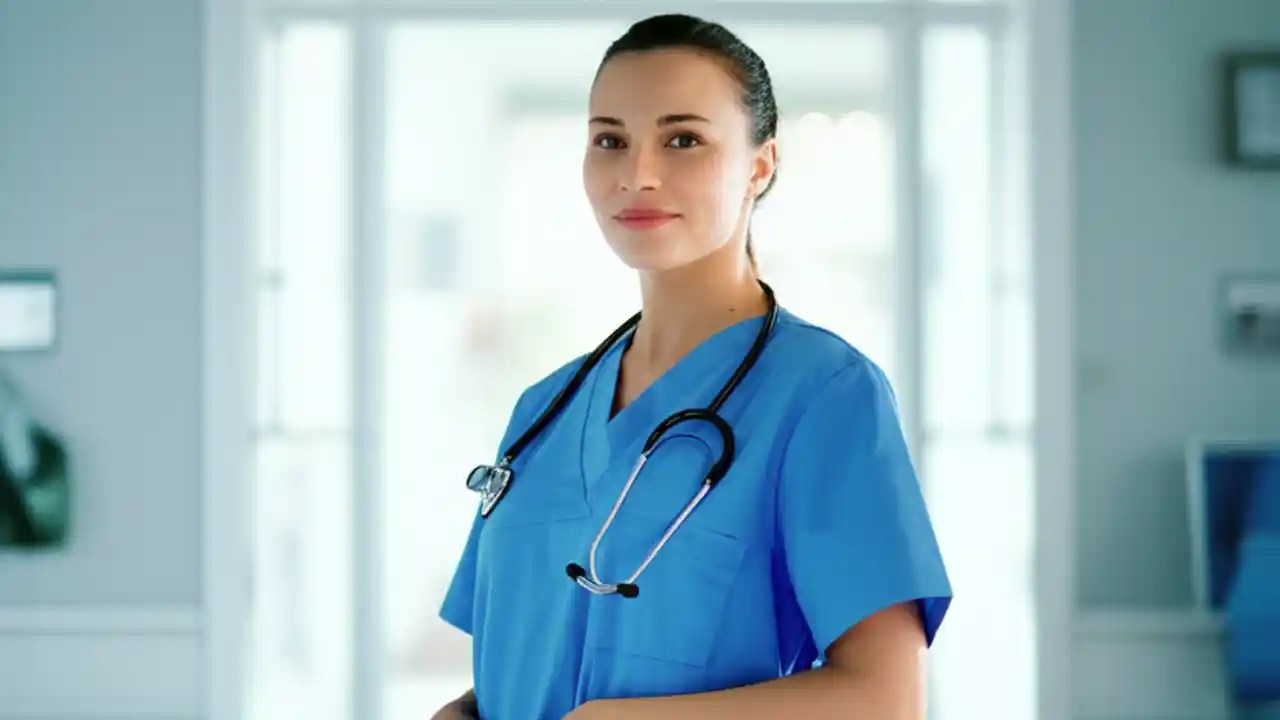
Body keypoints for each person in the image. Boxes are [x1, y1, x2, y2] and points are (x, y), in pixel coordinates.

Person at [432, 13, 952, 720]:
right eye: (610, 140)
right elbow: (523, 657)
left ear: (760, 165)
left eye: (683, 140)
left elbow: (883, 699)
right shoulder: (543, 411)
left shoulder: (826, 396)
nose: (637, 174)